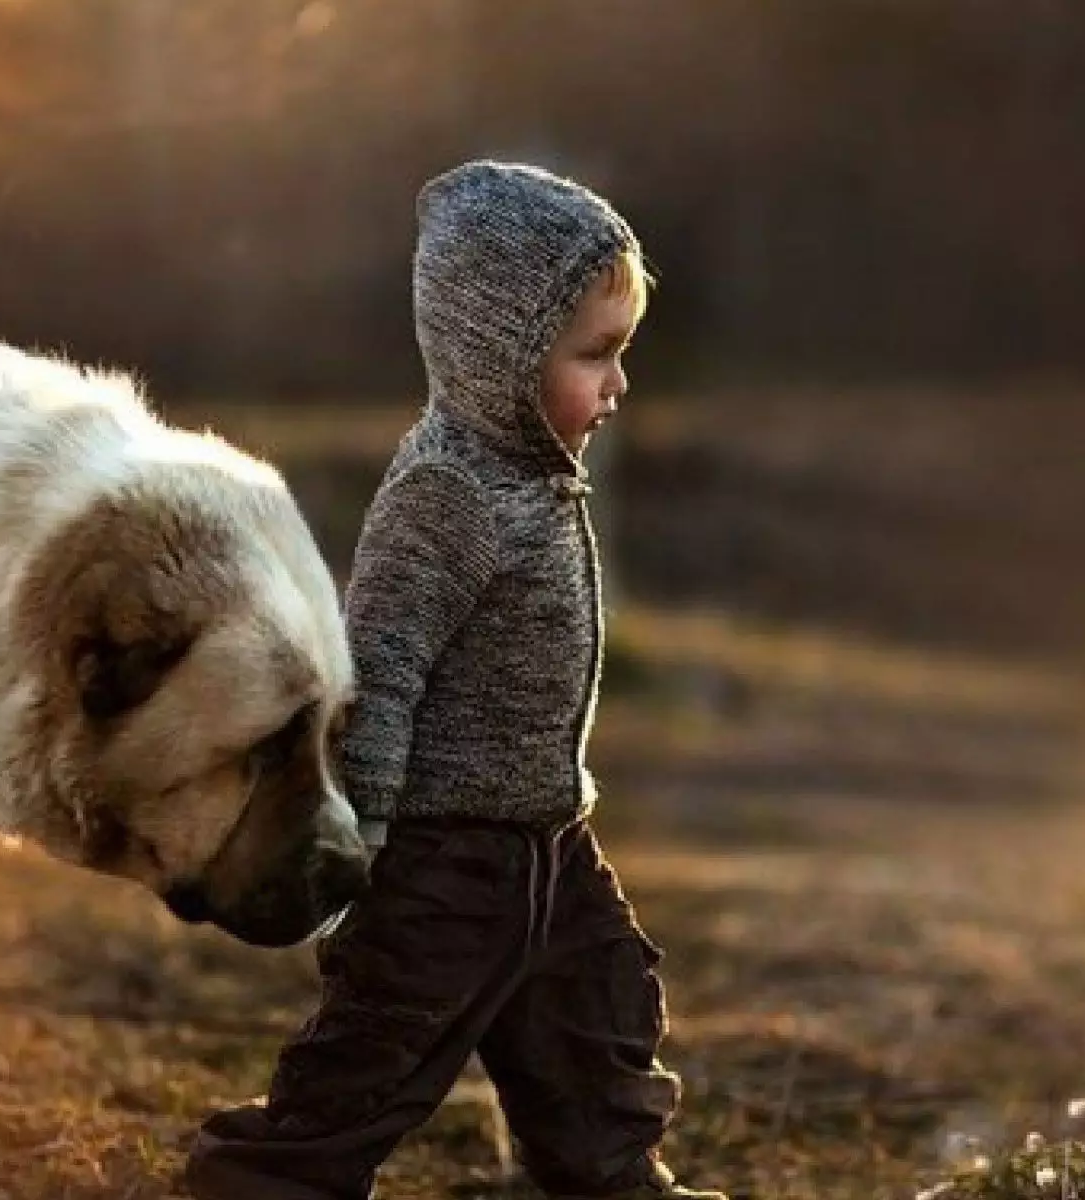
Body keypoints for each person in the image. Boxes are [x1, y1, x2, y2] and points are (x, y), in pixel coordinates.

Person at [184, 160, 722, 1200]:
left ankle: (608, 1177)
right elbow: (377, 671)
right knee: (381, 1046)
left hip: (549, 842)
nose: (618, 385)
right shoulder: (445, 494)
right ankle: (267, 1181)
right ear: (500, 358)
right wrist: (361, 837)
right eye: (596, 356)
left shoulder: (534, 475)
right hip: (440, 858)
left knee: (599, 1015)